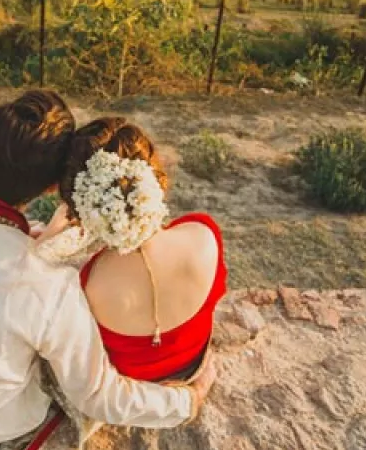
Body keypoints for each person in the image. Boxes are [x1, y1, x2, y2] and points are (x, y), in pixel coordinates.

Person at [0, 91, 215, 450]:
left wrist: (29, 241)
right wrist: (186, 401)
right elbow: (98, 394)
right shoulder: (48, 284)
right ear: (51, 189)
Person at [38, 117, 227, 382]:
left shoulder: (90, 287)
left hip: (132, 381)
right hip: (194, 364)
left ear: (83, 206)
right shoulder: (203, 234)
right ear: (153, 179)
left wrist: (45, 239)